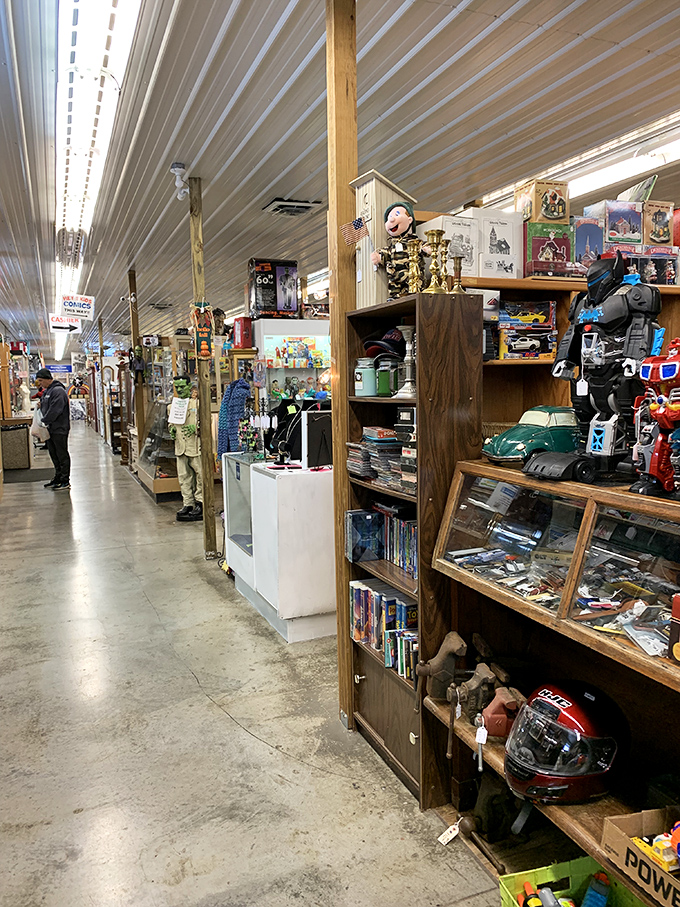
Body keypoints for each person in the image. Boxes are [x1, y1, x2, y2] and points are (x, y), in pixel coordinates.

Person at [35, 367, 71, 490]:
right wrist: (41, 404)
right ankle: (58, 478)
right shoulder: (47, 391)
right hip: (50, 429)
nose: (40, 383)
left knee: (61, 454)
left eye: (41, 380)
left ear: (48, 379)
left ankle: (65, 480)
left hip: (59, 428)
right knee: (54, 454)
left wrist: (44, 421)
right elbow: (48, 405)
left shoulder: (58, 391)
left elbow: (56, 409)